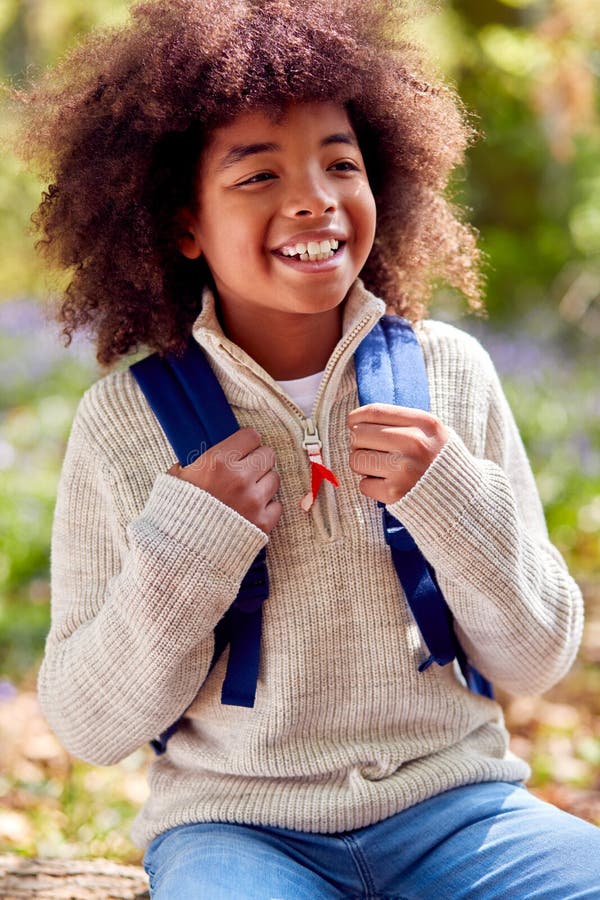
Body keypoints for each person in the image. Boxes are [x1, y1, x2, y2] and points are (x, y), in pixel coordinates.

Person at [15, 0, 600, 896]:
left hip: (461, 812)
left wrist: (452, 500)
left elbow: (537, 658)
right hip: (238, 834)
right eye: (258, 175)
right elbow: (92, 725)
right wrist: (187, 545)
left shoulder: (451, 374)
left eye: (341, 163)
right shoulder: (124, 424)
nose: (314, 198)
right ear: (183, 224)